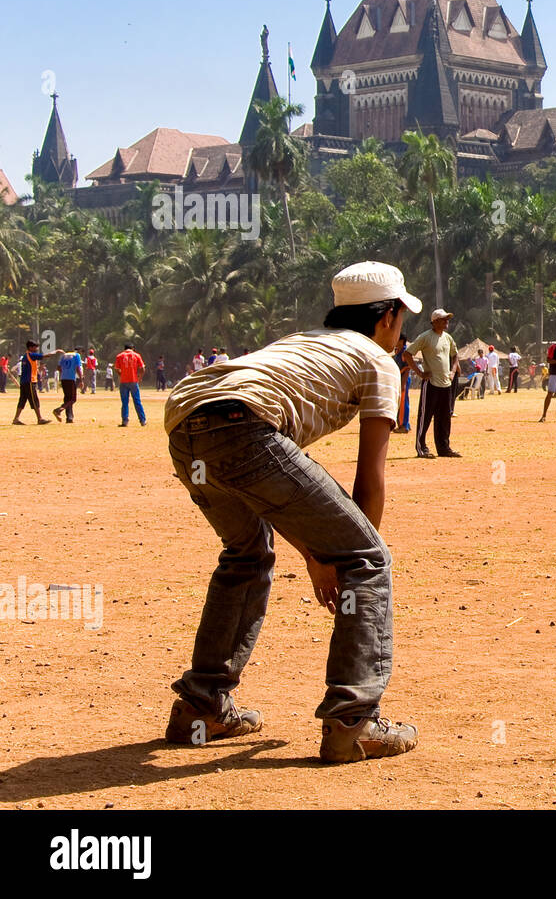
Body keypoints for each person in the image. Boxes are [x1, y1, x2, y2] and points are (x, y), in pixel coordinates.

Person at [163, 260, 419, 763]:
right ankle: (355, 721)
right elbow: (371, 476)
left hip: (186, 420)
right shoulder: (378, 359)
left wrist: (318, 550)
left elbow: (279, 489)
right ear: (387, 316)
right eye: (401, 318)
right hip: (246, 424)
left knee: (246, 553)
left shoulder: (305, 340)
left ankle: (203, 706)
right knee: (368, 558)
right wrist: (343, 553)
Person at [404, 308, 460, 458]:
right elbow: (407, 354)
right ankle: (421, 447)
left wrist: (453, 371)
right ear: (434, 322)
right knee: (426, 416)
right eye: (443, 319)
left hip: (446, 384)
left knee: (444, 418)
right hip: (431, 384)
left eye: (447, 319)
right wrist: (420, 373)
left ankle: (444, 448)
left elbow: (455, 355)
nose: (446, 322)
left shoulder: (448, 338)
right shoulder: (425, 337)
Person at [12, 341, 52, 425]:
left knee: (22, 400)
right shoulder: (31, 355)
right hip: (29, 381)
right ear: (30, 347)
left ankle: (16, 419)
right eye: (35, 347)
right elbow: (45, 356)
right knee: (34, 400)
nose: (36, 349)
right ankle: (40, 419)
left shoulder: (25, 356)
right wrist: (56, 351)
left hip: (24, 381)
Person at [115, 341, 147, 426]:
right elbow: (143, 368)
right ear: (132, 348)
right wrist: (139, 378)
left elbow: (117, 369)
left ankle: (125, 421)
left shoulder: (119, 356)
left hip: (123, 382)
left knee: (125, 402)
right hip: (133, 381)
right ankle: (142, 420)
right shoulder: (136, 355)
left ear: (124, 348)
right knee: (137, 401)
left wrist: (121, 375)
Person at [53, 347, 84, 423]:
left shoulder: (64, 355)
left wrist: (64, 372)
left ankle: (69, 418)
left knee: (67, 398)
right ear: (79, 351)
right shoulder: (77, 355)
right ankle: (59, 410)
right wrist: (81, 379)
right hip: (71, 379)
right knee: (73, 399)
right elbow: (78, 368)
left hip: (64, 378)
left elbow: (58, 367)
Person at [393, 334, 412, 433]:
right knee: (401, 401)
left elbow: (408, 368)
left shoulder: (404, 352)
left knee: (403, 402)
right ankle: (405, 423)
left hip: (404, 378)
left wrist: (403, 383)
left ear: (401, 341)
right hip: (399, 378)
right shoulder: (397, 351)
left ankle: (403, 426)